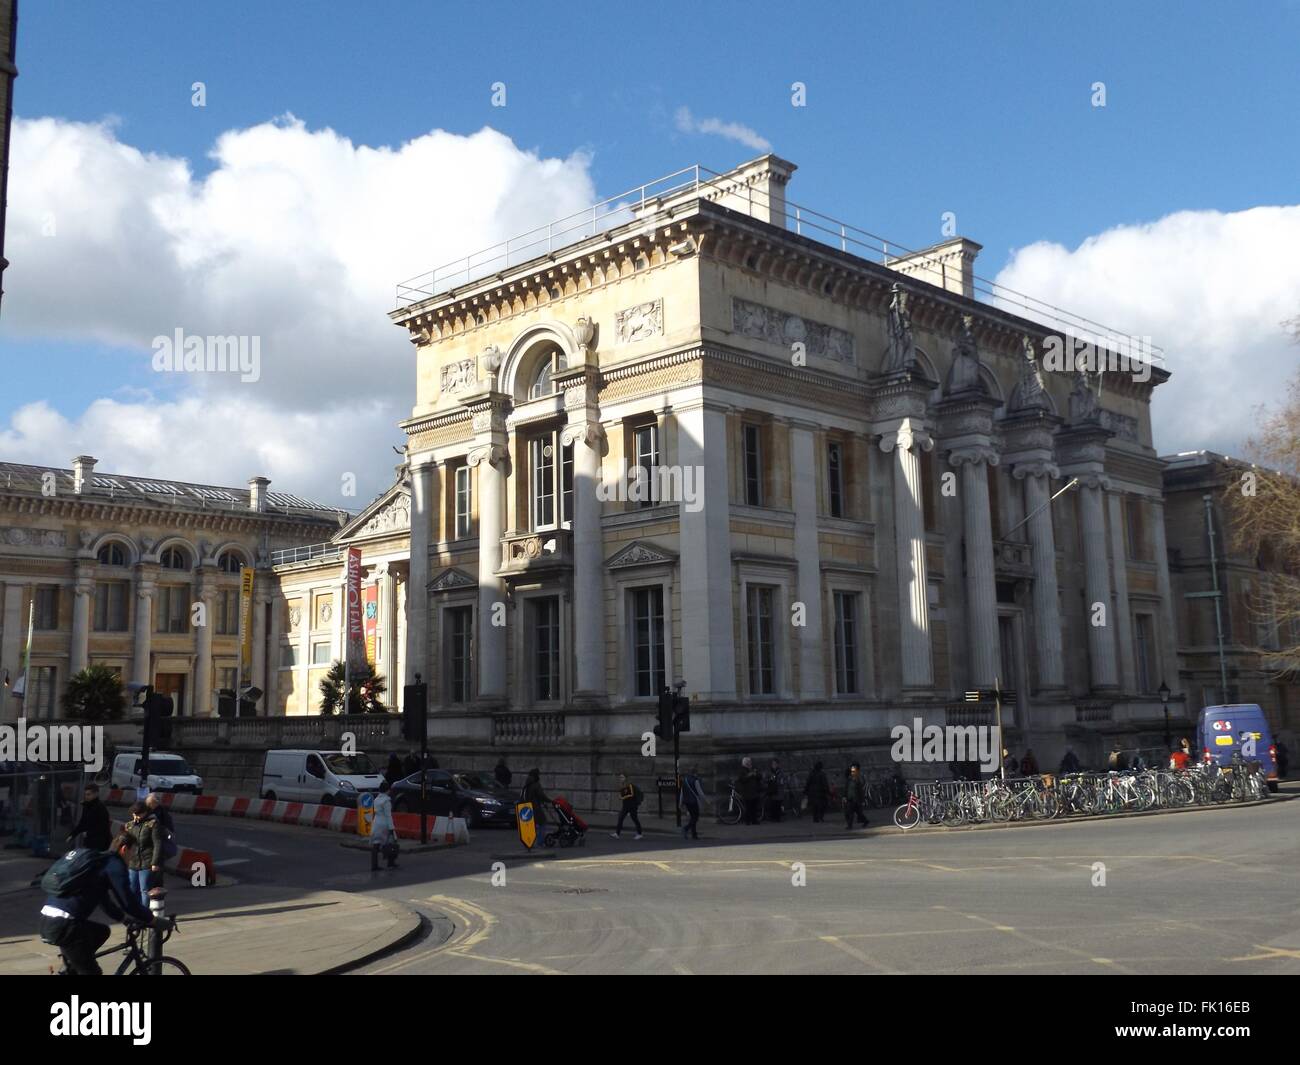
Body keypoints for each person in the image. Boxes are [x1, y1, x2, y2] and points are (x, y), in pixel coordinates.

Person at [39, 833, 166, 975]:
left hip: (48, 920)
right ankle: (78, 963)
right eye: (133, 852)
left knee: (102, 932)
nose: (132, 858)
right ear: (124, 849)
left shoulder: (98, 863)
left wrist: (123, 918)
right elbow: (128, 903)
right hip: (65, 925)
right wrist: (152, 919)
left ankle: (75, 963)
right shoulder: (115, 864)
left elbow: (104, 902)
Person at [122, 803, 158, 911]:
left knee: (145, 890)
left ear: (145, 813)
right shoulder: (129, 825)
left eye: (138, 814)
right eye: (134, 814)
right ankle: (135, 911)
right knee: (132, 889)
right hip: (133, 862)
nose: (136, 817)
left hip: (147, 862)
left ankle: (144, 912)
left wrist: (155, 862)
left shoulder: (152, 824)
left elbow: (158, 844)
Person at [67, 784, 112, 851]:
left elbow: (102, 827)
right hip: (90, 841)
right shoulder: (87, 806)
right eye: (85, 794)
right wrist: (73, 835)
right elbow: (82, 823)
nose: (86, 797)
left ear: (96, 794)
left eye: (89, 794)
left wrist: (88, 833)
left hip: (99, 843)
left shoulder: (100, 808)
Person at [369, 780, 398, 871]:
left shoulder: (376, 800)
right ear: (388, 790)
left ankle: (374, 865)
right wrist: (391, 828)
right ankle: (390, 862)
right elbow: (388, 816)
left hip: (376, 822)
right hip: (384, 823)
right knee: (391, 842)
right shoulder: (386, 801)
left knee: (376, 844)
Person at [144, 792, 177, 868]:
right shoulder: (148, 811)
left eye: (150, 804)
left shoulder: (161, 814)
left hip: (157, 845)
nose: (148, 805)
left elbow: (168, 832)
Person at [611, 773, 644, 840]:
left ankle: (639, 834)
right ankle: (617, 834)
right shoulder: (622, 785)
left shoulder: (630, 785)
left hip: (632, 805)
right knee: (620, 818)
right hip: (625, 805)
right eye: (620, 777)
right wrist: (620, 796)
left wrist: (623, 797)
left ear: (626, 778)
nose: (621, 779)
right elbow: (623, 794)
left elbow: (631, 794)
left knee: (635, 819)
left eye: (622, 777)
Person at [679, 767, 706, 840]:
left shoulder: (684, 780)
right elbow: (700, 792)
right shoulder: (695, 780)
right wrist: (705, 800)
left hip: (687, 802)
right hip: (693, 801)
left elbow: (682, 793)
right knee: (695, 817)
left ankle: (694, 835)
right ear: (695, 773)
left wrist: (680, 803)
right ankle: (686, 828)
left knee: (692, 817)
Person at [843, 763, 869, 829]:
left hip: (856, 800)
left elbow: (860, 791)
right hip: (850, 799)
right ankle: (851, 825)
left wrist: (862, 800)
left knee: (857, 813)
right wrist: (845, 797)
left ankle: (864, 821)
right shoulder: (849, 781)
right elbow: (846, 790)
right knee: (851, 813)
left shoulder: (857, 780)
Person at [737, 757, 762, 825]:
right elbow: (741, 779)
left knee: (754, 807)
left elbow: (760, 776)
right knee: (748, 807)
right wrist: (749, 775)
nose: (750, 763)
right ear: (745, 763)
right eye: (748, 762)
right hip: (747, 792)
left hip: (754, 791)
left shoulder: (754, 769)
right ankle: (747, 821)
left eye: (750, 761)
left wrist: (755, 774)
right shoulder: (742, 770)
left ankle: (754, 820)